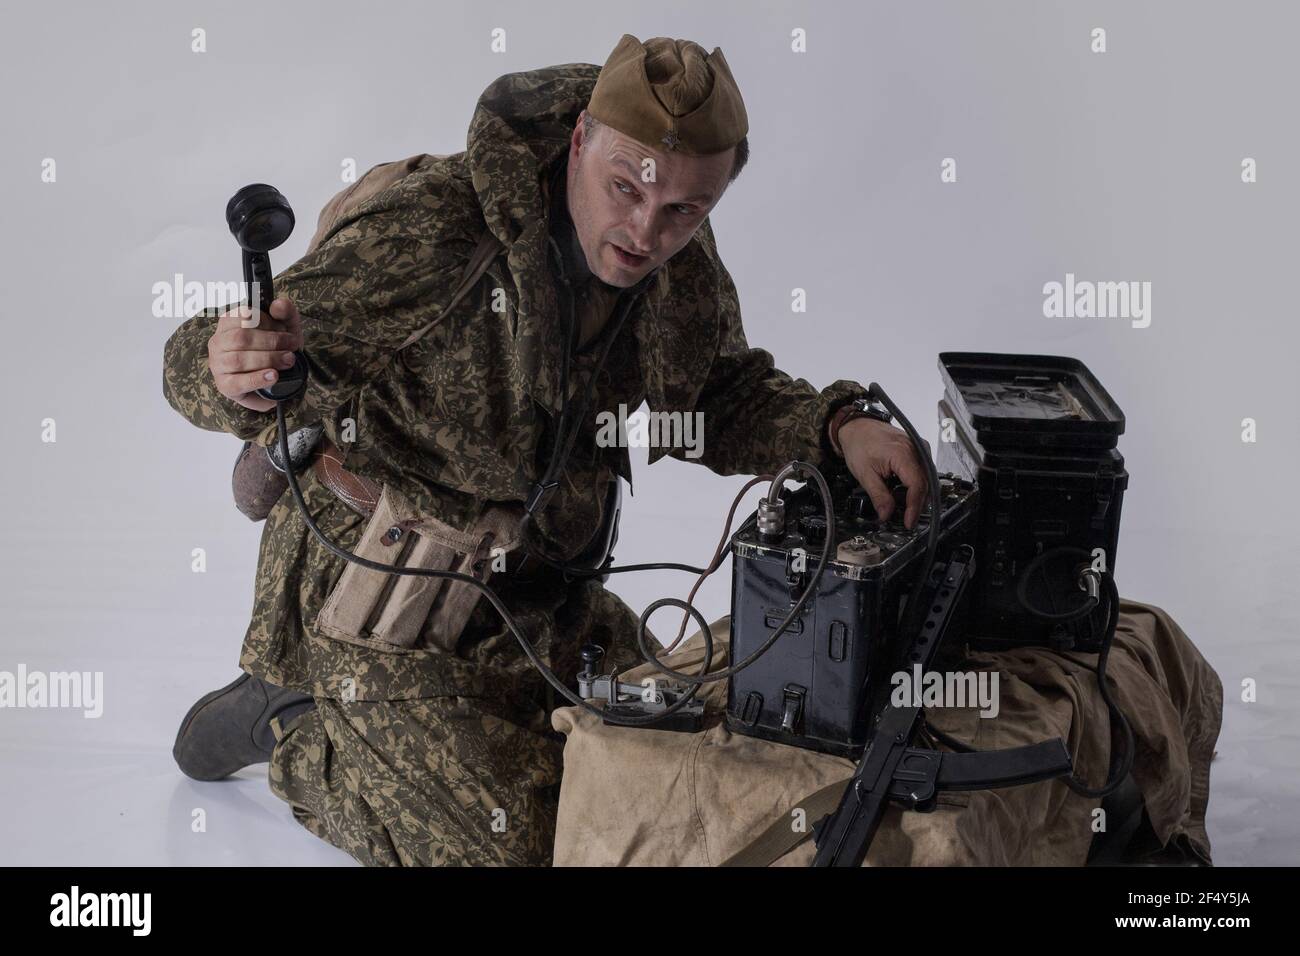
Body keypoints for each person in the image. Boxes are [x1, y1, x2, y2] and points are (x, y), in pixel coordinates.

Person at [161, 33, 931, 866]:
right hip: (382, 610)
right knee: (526, 850)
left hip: (543, 603)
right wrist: (226, 364)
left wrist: (837, 425)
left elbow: (718, 394)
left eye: (684, 209)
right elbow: (222, 358)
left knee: (678, 779)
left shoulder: (679, 266)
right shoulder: (435, 235)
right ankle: (300, 726)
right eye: (625, 186)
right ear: (579, 143)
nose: (646, 228)